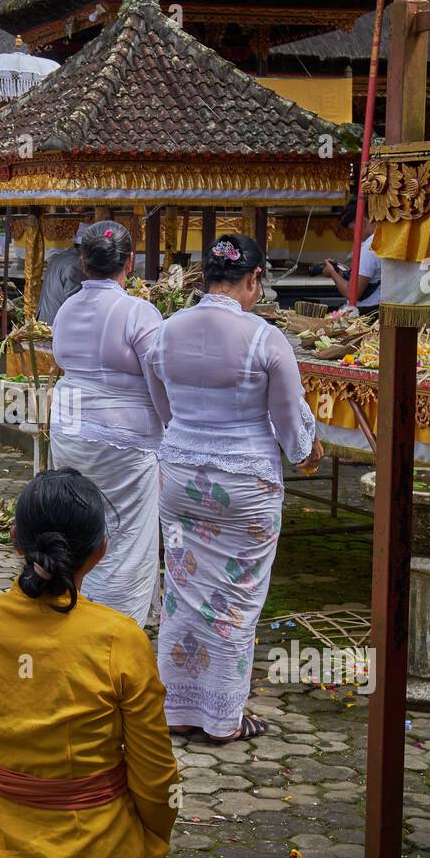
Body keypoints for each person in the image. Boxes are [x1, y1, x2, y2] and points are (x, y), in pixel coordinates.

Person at [0, 469, 225, 858]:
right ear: (100, 551)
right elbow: (156, 777)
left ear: (16, 540)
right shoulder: (119, 638)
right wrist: (150, 837)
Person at [148, 235, 322, 743]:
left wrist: (189, 440)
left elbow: (166, 413)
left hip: (179, 480)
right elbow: (291, 426)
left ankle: (178, 709)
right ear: (254, 279)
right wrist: (309, 452)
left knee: (182, 590)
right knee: (235, 600)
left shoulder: (164, 332)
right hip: (246, 486)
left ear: (205, 278)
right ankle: (222, 718)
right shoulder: (265, 338)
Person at [48, 221, 169, 625]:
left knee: (79, 527)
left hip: (70, 434)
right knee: (128, 536)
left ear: (83, 262)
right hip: (125, 441)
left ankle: (74, 611)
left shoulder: (66, 310)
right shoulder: (138, 312)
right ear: (129, 263)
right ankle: (116, 628)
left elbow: (65, 366)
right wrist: (172, 429)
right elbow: (159, 380)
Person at [321, 202, 381, 311]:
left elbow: (352, 293)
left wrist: (332, 273)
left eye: (352, 230)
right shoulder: (381, 238)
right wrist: (340, 271)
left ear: (362, 223)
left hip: (366, 311)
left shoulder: (369, 247)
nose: (353, 235)